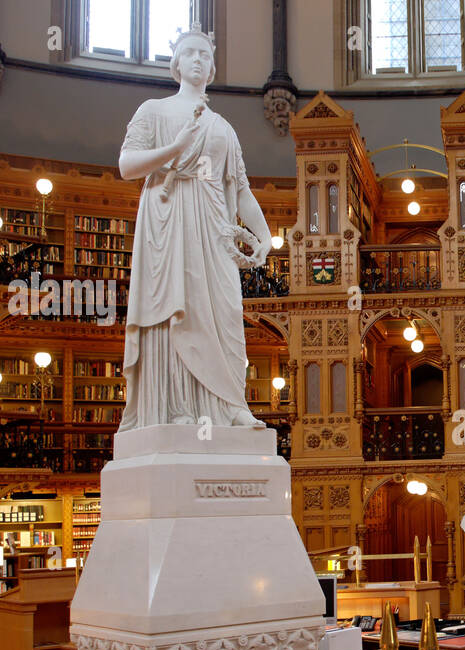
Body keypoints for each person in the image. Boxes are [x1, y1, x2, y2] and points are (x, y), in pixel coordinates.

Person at [116, 23, 272, 431]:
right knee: (174, 309)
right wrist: (175, 146)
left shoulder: (224, 128)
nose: (198, 60)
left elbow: (240, 192)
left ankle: (230, 405)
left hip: (214, 223)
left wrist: (266, 236)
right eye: (190, 53)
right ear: (177, 64)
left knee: (223, 311)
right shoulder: (154, 110)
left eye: (205, 55)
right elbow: (127, 166)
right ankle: (176, 410)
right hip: (168, 217)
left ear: (212, 68)